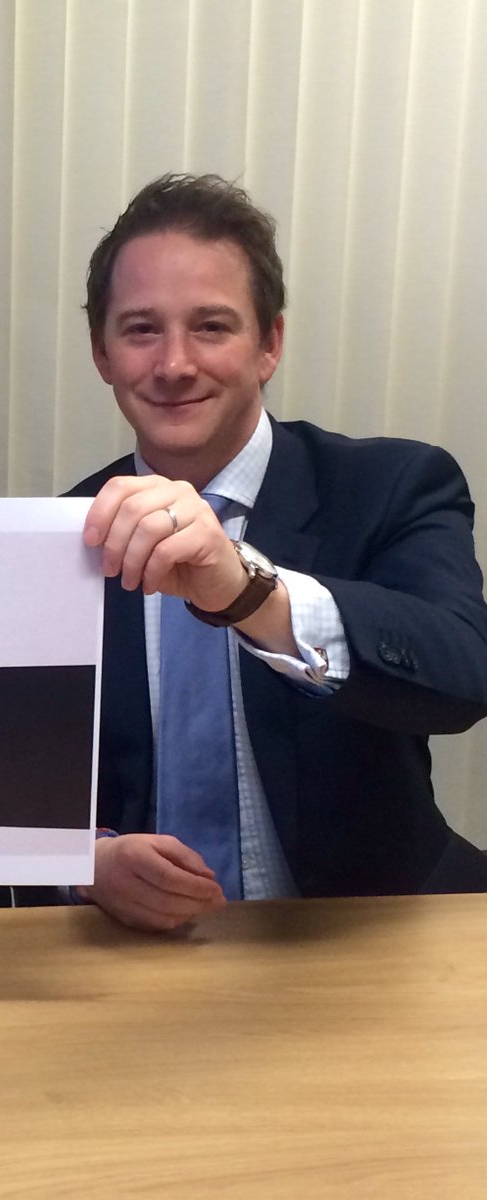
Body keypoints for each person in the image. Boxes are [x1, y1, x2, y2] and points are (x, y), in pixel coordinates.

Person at [63, 173, 487, 931]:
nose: (174, 364)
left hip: (372, 948)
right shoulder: (63, 533)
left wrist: (249, 591)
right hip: (133, 965)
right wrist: (80, 862)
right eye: (140, 330)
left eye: (213, 327)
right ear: (101, 352)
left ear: (270, 345)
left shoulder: (393, 485)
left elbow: (462, 674)